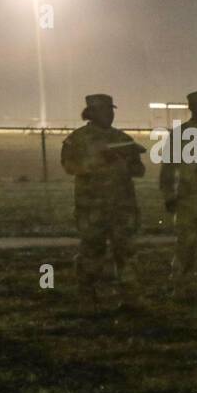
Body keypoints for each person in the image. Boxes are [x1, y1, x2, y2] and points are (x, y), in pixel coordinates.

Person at [60, 94, 147, 310]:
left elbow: (140, 170)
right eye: (104, 110)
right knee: (92, 252)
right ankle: (88, 296)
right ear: (91, 112)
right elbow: (69, 166)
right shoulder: (77, 139)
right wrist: (99, 161)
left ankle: (131, 299)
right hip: (92, 208)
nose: (109, 114)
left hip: (122, 206)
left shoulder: (123, 137)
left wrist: (127, 161)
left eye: (111, 109)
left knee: (126, 252)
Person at [160, 90, 197, 294]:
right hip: (186, 199)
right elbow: (167, 168)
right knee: (185, 244)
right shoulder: (179, 134)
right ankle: (179, 284)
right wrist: (168, 195)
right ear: (192, 108)